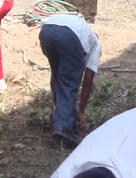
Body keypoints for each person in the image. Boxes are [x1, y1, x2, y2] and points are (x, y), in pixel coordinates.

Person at [38, 12, 101, 148]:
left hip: (46, 31)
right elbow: (88, 79)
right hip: (69, 36)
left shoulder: (84, 30)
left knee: (58, 74)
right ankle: (63, 127)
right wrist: (81, 112)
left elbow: (55, 79)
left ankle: (59, 115)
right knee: (69, 82)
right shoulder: (95, 45)